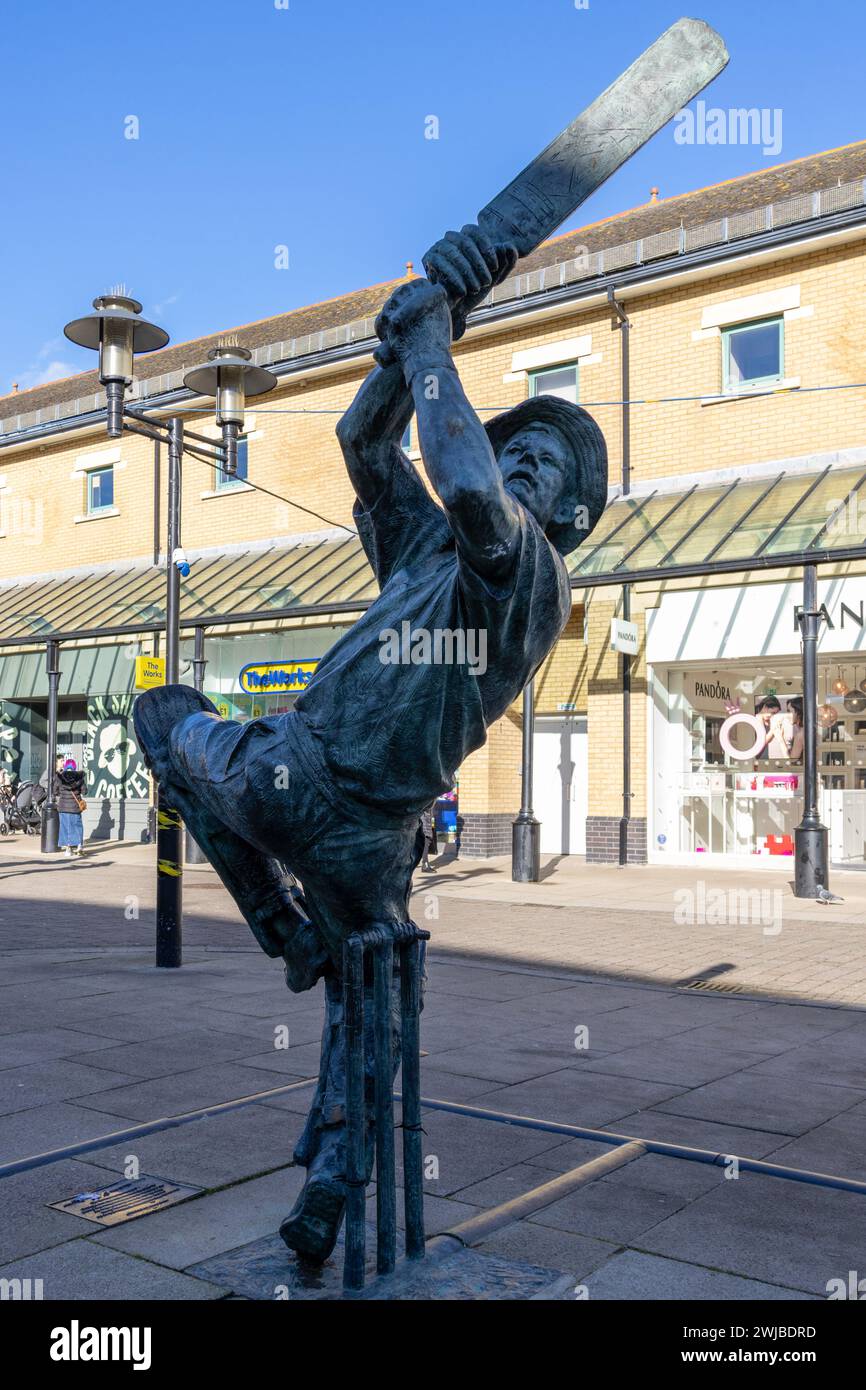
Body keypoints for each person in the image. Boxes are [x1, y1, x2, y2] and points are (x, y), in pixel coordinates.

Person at [133, 223, 608, 1264]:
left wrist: (435, 343)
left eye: (539, 461)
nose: (517, 463)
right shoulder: (427, 545)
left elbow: (472, 486)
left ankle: (289, 965)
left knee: (166, 722)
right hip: (343, 810)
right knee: (375, 979)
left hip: (325, 796)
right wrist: (404, 349)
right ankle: (333, 1145)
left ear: (568, 512)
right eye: (514, 442)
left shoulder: (531, 577)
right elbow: (363, 446)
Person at [54, 758, 86, 858]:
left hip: (63, 807)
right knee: (77, 826)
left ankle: (68, 849)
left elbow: (55, 791)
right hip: (75, 807)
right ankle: (79, 847)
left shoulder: (60, 777)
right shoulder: (79, 777)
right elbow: (85, 791)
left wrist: (63, 793)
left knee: (65, 828)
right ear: (74, 767)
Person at [420, 805, 436, 871]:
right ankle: (425, 864)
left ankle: (425, 864)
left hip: (426, 820)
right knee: (426, 842)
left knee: (427, 842)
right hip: (424, 821)